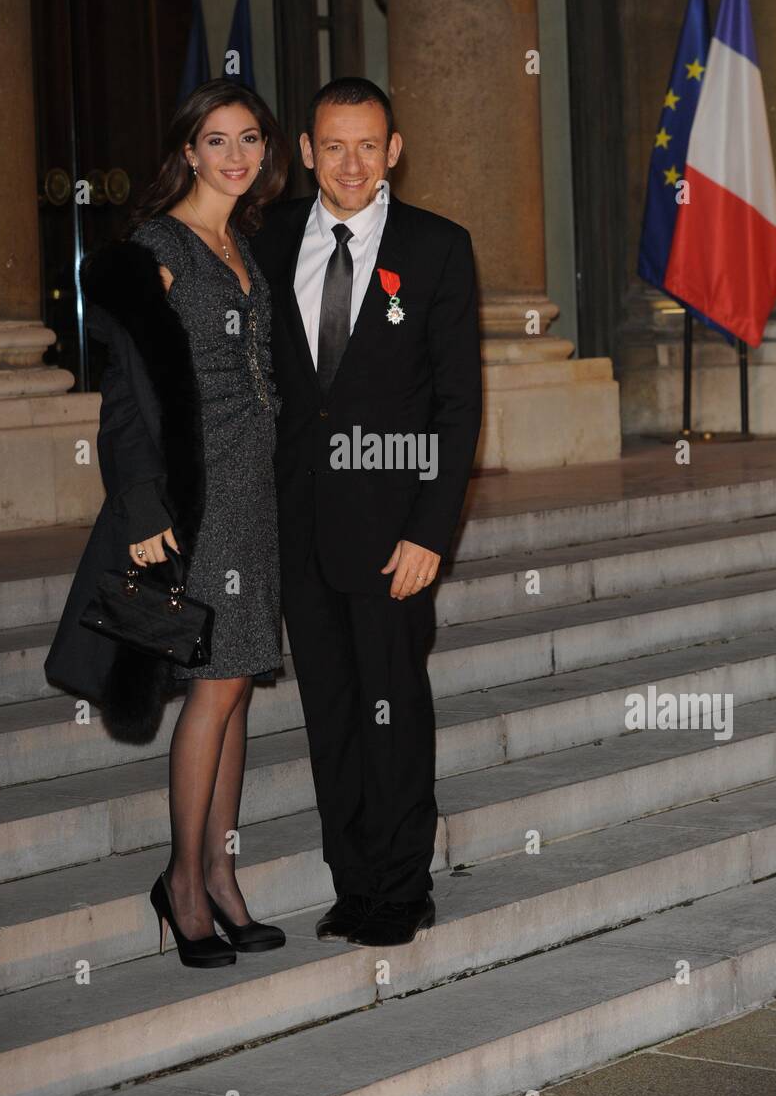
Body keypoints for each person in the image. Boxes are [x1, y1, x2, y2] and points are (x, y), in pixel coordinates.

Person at [45, 78, 290, 967]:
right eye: (216, 141)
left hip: (255, 493)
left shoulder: (242, 244)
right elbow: (124, 396)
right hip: (199, 496)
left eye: (250, 139)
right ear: (186, 151)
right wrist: (142, 504)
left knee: (234, 690)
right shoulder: (158, 247)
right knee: (214, 688)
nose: (236, 156)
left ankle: (219, 876)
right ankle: (183, 886)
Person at [251, 76, 482, 947]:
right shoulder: (264, 243)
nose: (351, 163)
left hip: (393, 533)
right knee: (332, 713)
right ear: (306, 152)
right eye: (332, 146)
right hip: (297, 528)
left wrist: (430, 531)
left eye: (367, 145)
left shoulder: (436, 249)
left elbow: (457, 406)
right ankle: (351, 883)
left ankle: (399, 886)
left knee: (392, 708)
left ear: (394, 151)